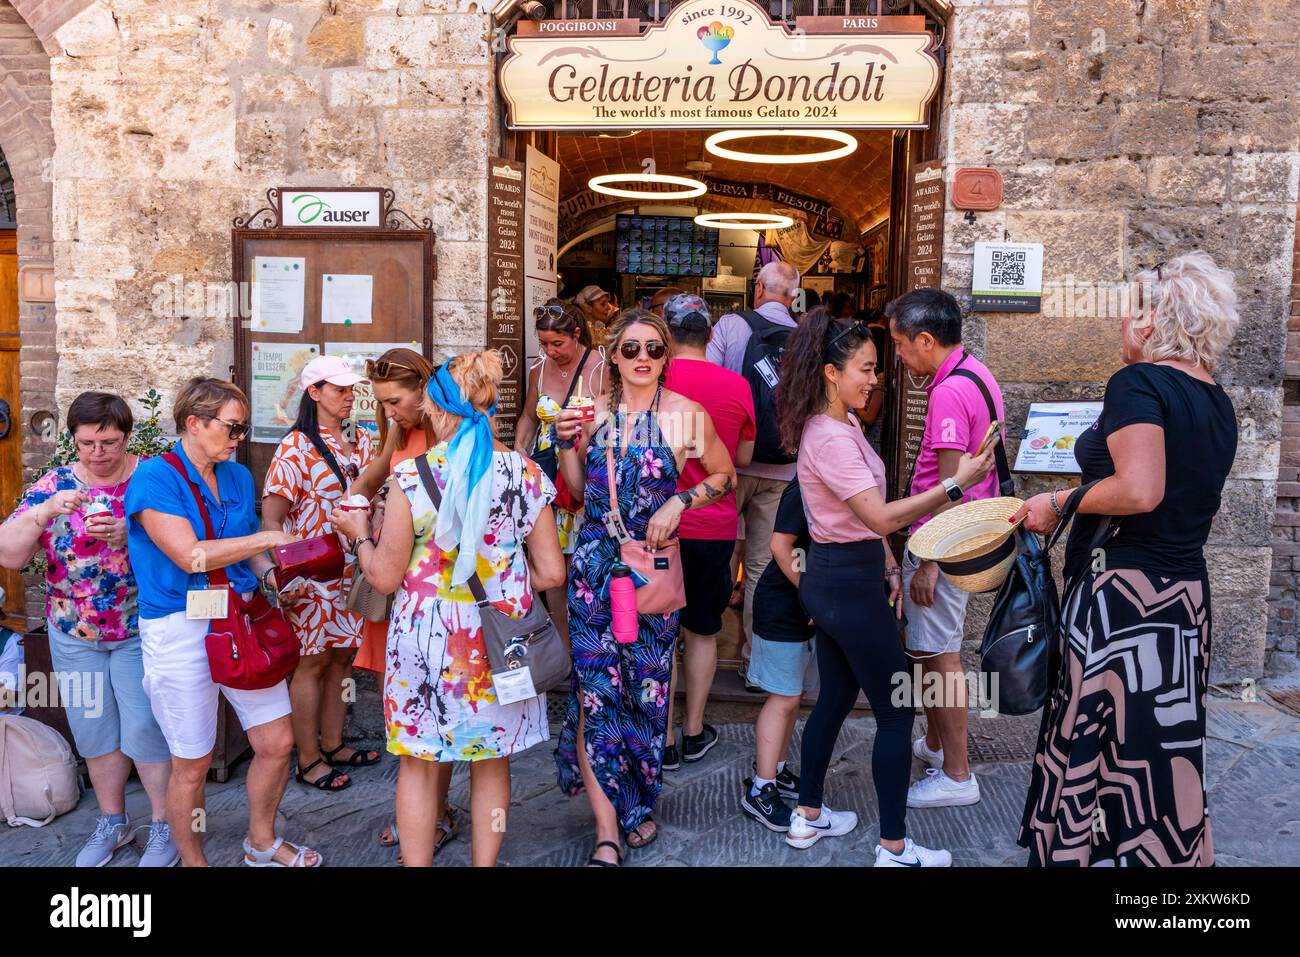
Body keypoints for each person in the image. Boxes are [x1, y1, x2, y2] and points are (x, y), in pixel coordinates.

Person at [1012, 251, 1239, 867]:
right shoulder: (1216, 399)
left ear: (1148, 322)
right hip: (1185, 597)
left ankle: (1084, 855)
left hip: (1125, 600)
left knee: (1100, 741)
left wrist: (1056, 501)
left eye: (1125, 316)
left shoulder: (1138, 383)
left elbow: (1141, 490)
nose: (1119, 328)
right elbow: (1202, 506)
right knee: (1161, 749)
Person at [774, 308, 994, 864]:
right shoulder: (832, 438)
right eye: (866, 368)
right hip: (845, 587)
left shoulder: (841, 424)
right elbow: (877, 517)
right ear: (830, 372)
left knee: (836, 699)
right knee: (896, 712)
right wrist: (954, 485)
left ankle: (808, 815)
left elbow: (861, 526)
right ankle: (894, 848)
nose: (876, 378)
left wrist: (890, 566)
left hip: (840, 579)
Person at [331, 351, 566, 867]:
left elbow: (385, 576)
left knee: (417, 763)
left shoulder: (413, 478)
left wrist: (358, 536)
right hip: (499, 639)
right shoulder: (526, 474)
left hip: (425, 639)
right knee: (492, 762)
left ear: (437, 409)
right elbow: (551, 574)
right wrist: (501, 571)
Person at [553, 308, 736, 865]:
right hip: (593, 569)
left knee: (648, 692)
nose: (643, 360)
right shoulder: (594, 413)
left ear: (666, 355)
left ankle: (639, 800)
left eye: (654, 350)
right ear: (613, 355)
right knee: (597, 693)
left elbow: (724, 476)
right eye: (631, 349)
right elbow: (581, 491)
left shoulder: (685, 415)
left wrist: (681, 501)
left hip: (651, 570)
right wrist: (564, 444)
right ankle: (607, 825)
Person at [126, 377, 320, 867]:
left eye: (243, 429)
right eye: (233, 429)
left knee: (277, 741)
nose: (239, 439)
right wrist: (271, 540)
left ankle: (260, 841)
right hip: (179, 624)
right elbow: (192, 555)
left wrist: (274, 575)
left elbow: (245, 547)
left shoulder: (235, 477)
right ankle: (193, 860)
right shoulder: (154, 477)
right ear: (194, 423)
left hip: (241, 621)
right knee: (191, 762)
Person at [0, 392, 175, 867]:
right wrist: (44, 511)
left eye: (109, 442)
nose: (98, 453)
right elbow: (8, 555)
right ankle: (113, 822)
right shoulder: (55, 484)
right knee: (94, 732)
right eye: (87, 443)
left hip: (142, 627)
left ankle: (165, 827)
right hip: (73, 632)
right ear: (73, 439)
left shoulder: (153, 478)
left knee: (146, 729)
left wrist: (132, 535)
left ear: (127, 436)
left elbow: (191, 547)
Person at [889, 288, 1004, 810]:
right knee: (934, 651)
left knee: (940, 659)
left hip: (947, 542)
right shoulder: (979, 373)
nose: (897, 357)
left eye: (899, 345)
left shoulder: (946, 393)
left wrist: (929, 560)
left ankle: (957, 775)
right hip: (968, 536)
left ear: (925, 340)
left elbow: (953, 481)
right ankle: (936, 745)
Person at [348, 348, 463, 857]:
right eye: (383, 402)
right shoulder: (399, 431)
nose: (389, 410)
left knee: (438, 709)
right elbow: (366, 482)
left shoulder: (455, 435)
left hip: (437, 589)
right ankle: (422, 812)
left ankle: (435, 814)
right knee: (405, 711)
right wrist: (364, 511)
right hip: (391, 581)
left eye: (396, 401)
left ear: (424, 389)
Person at [262, 356, 379, 793]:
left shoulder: (363, 440)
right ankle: (307, 758)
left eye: (351, 389)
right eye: (339, 389)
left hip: (354, 568)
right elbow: (272, 519)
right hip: (311, 572)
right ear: (314, 393)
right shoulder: (294, 448)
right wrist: (283, 578)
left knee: (343, 656)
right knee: (311, 663)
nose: (349, 396)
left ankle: (333, 743)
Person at [660, 293, 755, 768]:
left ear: (665, 334)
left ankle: (659, 737)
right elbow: (739, 461)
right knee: (701, 630)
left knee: (657, 631)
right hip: (712, 525)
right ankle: (693, 731)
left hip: (656, 525)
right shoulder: (736, 384)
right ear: (711, 334)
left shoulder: (650, 379)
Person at [706, 259, 802, 684]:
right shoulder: (807, 339)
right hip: (784, 466)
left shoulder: (730, 326)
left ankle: (703, 652)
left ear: (758, 289)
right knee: (764, 567)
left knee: (717, 558)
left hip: (727, 464)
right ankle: (753, 665)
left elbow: (709, 386)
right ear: (794, 296)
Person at [515, 300, 607, 645]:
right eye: (544, 344)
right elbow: (529, 415)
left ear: (577, 335)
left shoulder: (600, 369)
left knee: (581, 565)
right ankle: (562, 646)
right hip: (545, 475)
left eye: (558, 343)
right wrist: (520, 448)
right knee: (551, 564)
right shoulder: (539, 369)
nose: (550, 351)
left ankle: (588, 643)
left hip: (583, 473)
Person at [739, 478, 812, 831]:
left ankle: (777, 771)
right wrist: (811, 593)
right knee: (782, 698)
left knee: (792, 697)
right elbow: (780, 546)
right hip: (783, 606)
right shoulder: (803, 487)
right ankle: (760, 788)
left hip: (800, 606)